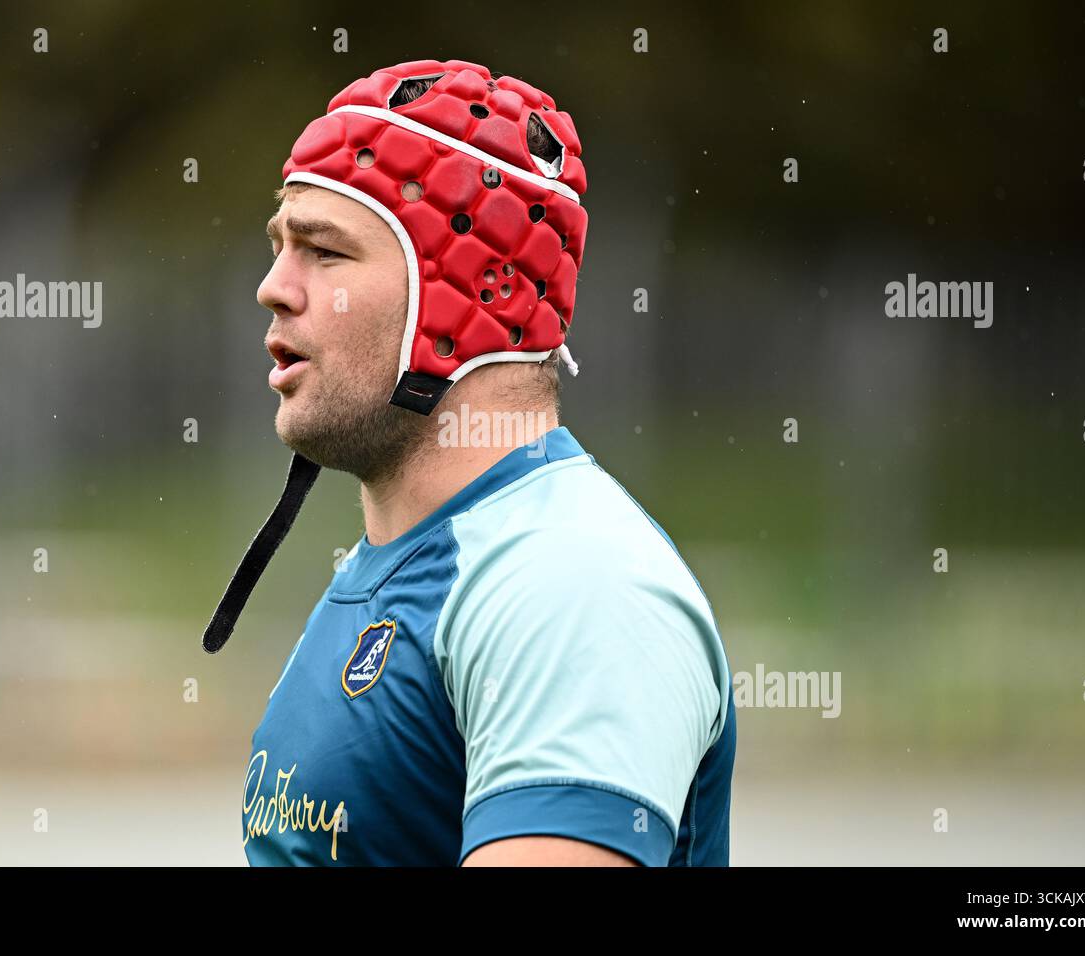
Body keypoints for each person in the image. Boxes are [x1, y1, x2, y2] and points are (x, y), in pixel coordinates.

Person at [205, 59, 735, 866]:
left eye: (324, 252)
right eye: (280, 246)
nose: (273, 288)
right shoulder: (399, 567)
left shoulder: (566, 583)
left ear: (463, 299)